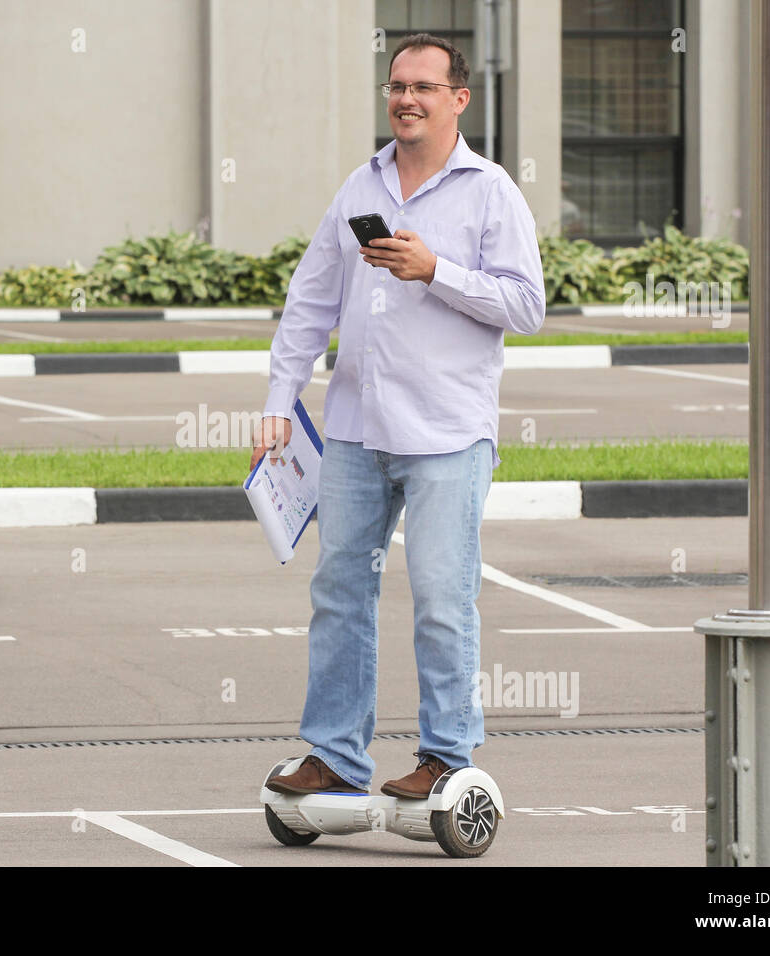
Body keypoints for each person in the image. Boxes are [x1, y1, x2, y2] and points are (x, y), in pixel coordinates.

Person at [253, 33, 544, 798]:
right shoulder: (362, 185)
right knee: (339, 593)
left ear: (459, 99)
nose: (405, 98)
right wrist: (281, 400)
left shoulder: (490, 191)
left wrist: (436, 272)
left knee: (444, 599)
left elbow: (526, 304)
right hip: (353, 429)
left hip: (448, 434)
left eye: (422, 86)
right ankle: (335, 756)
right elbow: (311, 297)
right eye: (395, 85)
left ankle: (447, 756)